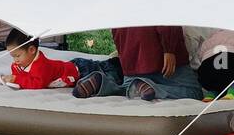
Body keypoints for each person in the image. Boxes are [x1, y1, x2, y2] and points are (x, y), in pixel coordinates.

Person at [72, 26, 201, 101]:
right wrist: (169, 49)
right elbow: (164, 15)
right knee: (194, 92)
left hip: (131, 62)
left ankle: (102, 84)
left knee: (126, 88)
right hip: (160, 58)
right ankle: (151, 88)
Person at [0, 29, 79, 90]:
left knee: (82, 86)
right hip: (66, 65)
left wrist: (16, 79)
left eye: (17, 56)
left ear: (32, 50)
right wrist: (10, 78)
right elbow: (20, 76)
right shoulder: (17, 65)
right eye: (13, 56)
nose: (15, 60)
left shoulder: (42, 66)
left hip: (76, 70)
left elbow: (37, 84)